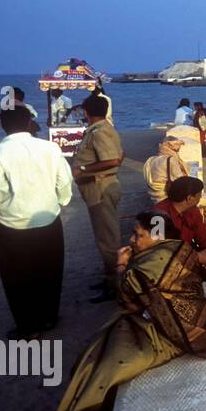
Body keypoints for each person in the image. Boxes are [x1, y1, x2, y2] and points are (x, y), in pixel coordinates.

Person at [50, 210, 206, 411]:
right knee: (101, 356)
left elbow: (126, 299)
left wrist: (121, 267)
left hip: (173, 331)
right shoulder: (175, 248)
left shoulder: (155, 260)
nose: (132, 240)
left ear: (157, 236)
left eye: (138, 235)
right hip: (159, 321)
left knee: (107, 367)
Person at [0, 105, 73, 337]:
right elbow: (64, 179)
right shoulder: (50, 148)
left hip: (12, 225)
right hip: (48, 219)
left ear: (3, 125)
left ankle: (29, 327)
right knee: (50, 271)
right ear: (30, 122)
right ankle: (49, 318)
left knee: (17, 278)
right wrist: (61, 201)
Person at [73, 94, 125, 302]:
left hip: (100, 189)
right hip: (100, 187)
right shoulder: (106, 128)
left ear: (86, 113)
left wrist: (82, 168)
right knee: (106, 237)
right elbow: (120, 155)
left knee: (107, 240)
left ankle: (115, 286)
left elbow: (112, 159)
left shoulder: (99, 132)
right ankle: (110, 279)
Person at [154, 176, 206, 280]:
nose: (199, 199)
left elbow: (203, 234)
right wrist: (196, 257)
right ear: (190, 198)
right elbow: (158, 251)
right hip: (170, 259)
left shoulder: (192, 210)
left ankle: (203, 272)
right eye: (198, 196)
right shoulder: (158, 216)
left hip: (188, 249)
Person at [143, 135, 206, 233]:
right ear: (172, 147)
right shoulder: (170, 160)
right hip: (169, 198)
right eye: (177, 148)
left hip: (155, 198)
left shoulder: (151, 160)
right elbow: (182, 184)